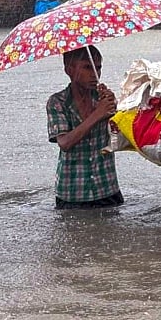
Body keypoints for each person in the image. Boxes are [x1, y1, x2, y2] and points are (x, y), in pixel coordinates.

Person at [46, 46, 121, 209]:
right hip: (72, 193)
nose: (95, 74)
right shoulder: (57, 102)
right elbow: (65, 143)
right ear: (69, 70)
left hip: (107, 188)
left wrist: (115, 110)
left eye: (98, 67)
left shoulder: (104, 100)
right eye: (87, 67)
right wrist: (97, 114)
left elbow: (121, 137)